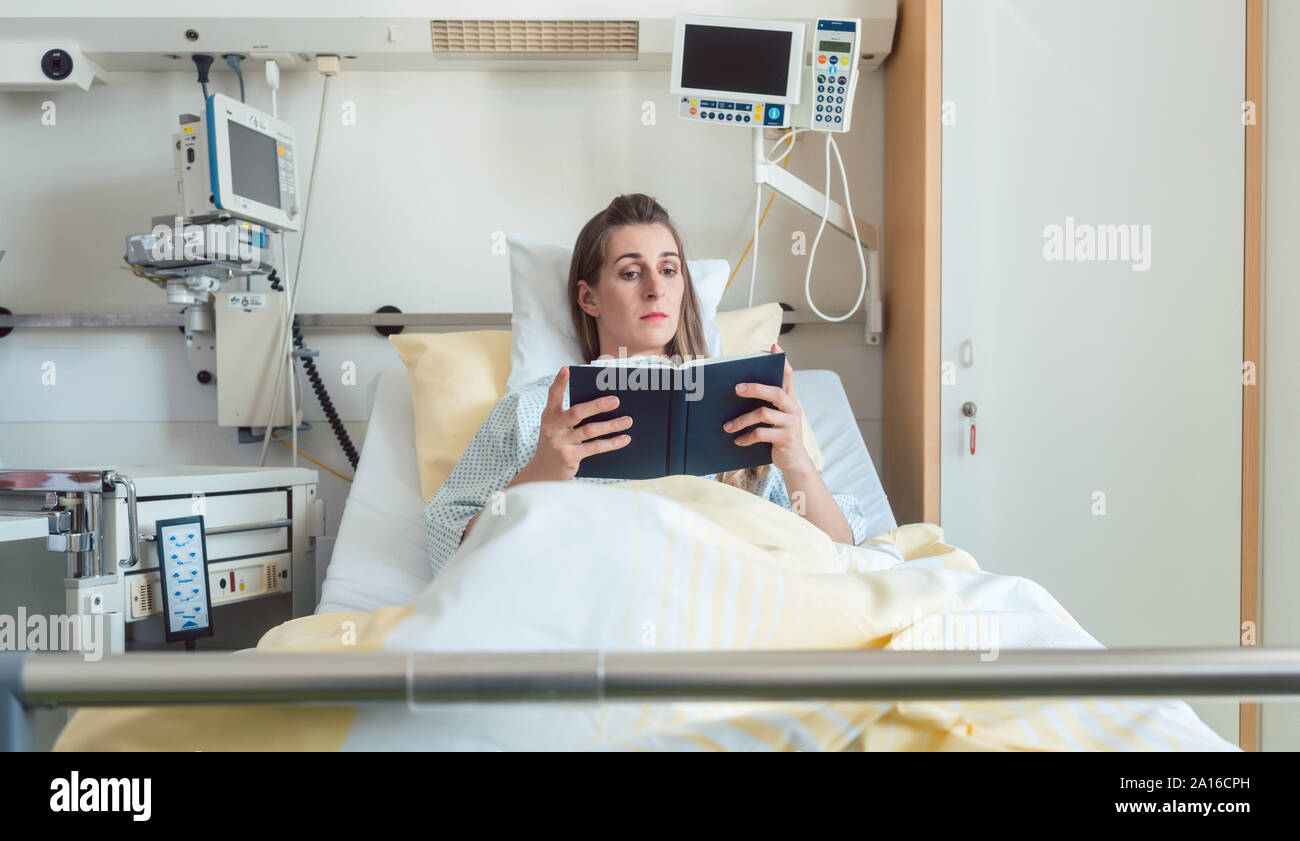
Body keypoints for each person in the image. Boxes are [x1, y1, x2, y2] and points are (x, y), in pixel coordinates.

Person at [422, 193, 869, 574]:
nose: (656, 288)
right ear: (589, 297)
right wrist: (543, 471)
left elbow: (840, 554)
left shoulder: (741, 406)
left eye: (669, 269)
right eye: (631, 272)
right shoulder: (533, 412)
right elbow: (450, 558)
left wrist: (795, 461)